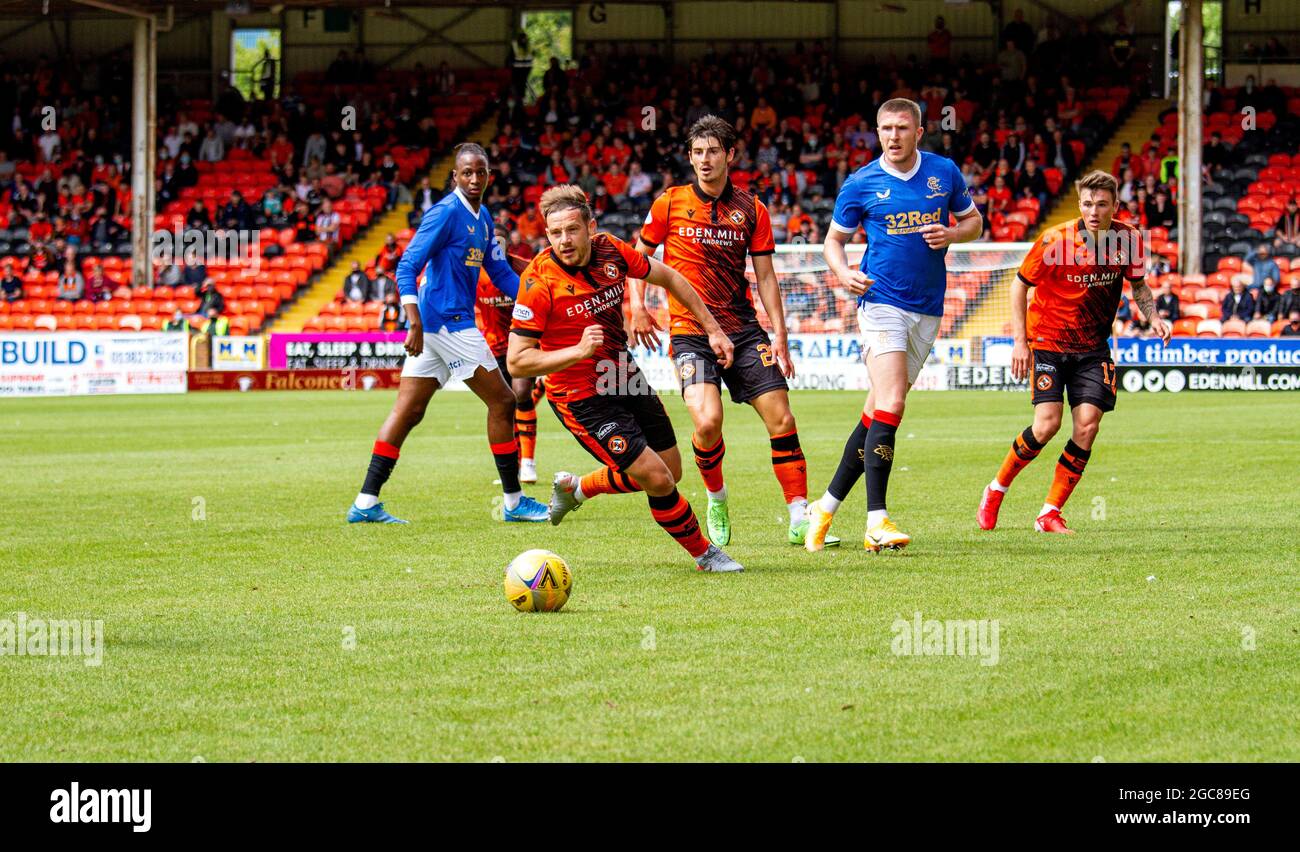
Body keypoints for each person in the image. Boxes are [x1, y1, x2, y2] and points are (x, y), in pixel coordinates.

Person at [508, 185, 742, 573]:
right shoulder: (538, 283)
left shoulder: (612, 250)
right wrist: (577, 352)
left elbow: (672, 278)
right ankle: (705, 554)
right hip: (580, 397)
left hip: (621, 373)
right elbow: (517, 361)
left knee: (671, 470)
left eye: (572, 229)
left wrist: (713, 330)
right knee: (657, 477)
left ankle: (578, 488)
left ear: (590, 227)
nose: (564, 240)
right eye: (555, 233)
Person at [625, 116, 826, 547]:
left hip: (743, 329)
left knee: (782, 417)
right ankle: (716, 497)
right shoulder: (669, 203)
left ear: (730, 155)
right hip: (689, 332)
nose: (704, 160)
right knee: (708, 422)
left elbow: (767, 277)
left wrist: (781, 335)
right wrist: (638, 305)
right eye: (697, 152)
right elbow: (636, 259)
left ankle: (798, 515)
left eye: (713, 151)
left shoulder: (752, 209)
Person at [808, 97, 983, 552]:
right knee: (893, 400)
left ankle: (824, 507)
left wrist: (953, 233)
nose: (893, 136)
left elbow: (975, 223)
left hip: (928, 307)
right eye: (886, 128)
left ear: (918, 131)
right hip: (880, 301)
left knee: (875, 412)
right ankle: (877, 520)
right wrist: (843, 273)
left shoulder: (943, 172)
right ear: (877, 131)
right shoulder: (861, 182)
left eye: (902, 128)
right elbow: (833, 241)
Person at [346, 143, 548, 525]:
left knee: (408, 412)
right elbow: (406, 265)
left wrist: (538, 296)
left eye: (481, 172)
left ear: (489, 176)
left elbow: (501, 273)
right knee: (504, 402)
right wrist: (413, 320)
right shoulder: (444, 213)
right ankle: (514, 501)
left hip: (439, 326)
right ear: (455, 176)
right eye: (467, 172)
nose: (474, 179)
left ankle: (366, 502)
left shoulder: (483, 217)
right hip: (447, 323)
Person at [977, 170, 1170, 535]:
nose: (1093, 211)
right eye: (1086, 204)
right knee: (1047, 425)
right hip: (1049, 341)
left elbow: (1139, 285)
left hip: (1093, 348)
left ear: (1115, 205)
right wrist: (1020, 341)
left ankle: (1049, 513)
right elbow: (1019, 286)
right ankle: (996, 489)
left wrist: (1154, 318)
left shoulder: (1128, 239)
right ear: (1079, 203)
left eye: (1101, 204)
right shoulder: (1055, 239)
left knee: (1087, 426)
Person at [475, 224, 542, 485]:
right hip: (493, 348)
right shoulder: (476, 275)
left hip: (524, 343)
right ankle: (511, 466)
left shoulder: (525, 269)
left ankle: (528, 463)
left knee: (522, 393)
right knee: (505, 404)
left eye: (502, 243)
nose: (497, 248)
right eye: (494, 243)